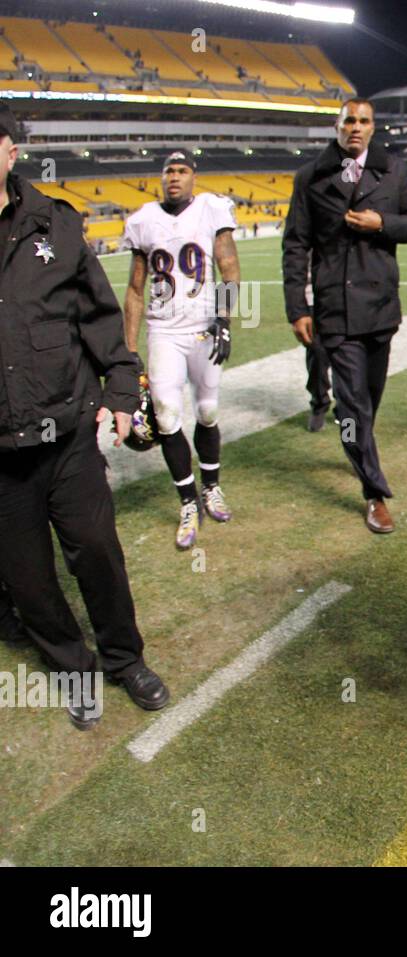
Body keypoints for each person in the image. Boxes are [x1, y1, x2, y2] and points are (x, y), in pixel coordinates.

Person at [0, 104, 169, 727]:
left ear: (10, 152)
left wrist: (123, 392)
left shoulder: (58, 224)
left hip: (67, 432)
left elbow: (101, 322)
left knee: (97, 550)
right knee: (27, 578)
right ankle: (75, 670)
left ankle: (124, 659)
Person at [282, 98, 407, 532]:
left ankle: (357, 445)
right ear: (337, 126)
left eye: (364, 121)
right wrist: (298, 307)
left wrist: (380, 222)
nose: (356, 127)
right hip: (333, 310)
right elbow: (295, 244)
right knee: (351, 405)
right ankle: (374, 494)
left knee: (368, 401)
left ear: (372, 128)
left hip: (381, 308)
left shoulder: (396, 170)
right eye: (349, 120)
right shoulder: (310, 177)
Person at [121, 149, 240, 549]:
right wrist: (127, 351)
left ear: (193, 175)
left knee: (207, 412)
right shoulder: (143, 220)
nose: (175, 176)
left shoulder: (211, 208)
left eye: (182, 170)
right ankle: (188, 502)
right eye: (169, 170)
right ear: (162, 176)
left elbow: (229, 267)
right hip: (163, 331)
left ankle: (211, 487)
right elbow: (136, 290)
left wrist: (224, 320)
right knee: (167, 418)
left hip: (203, 328)